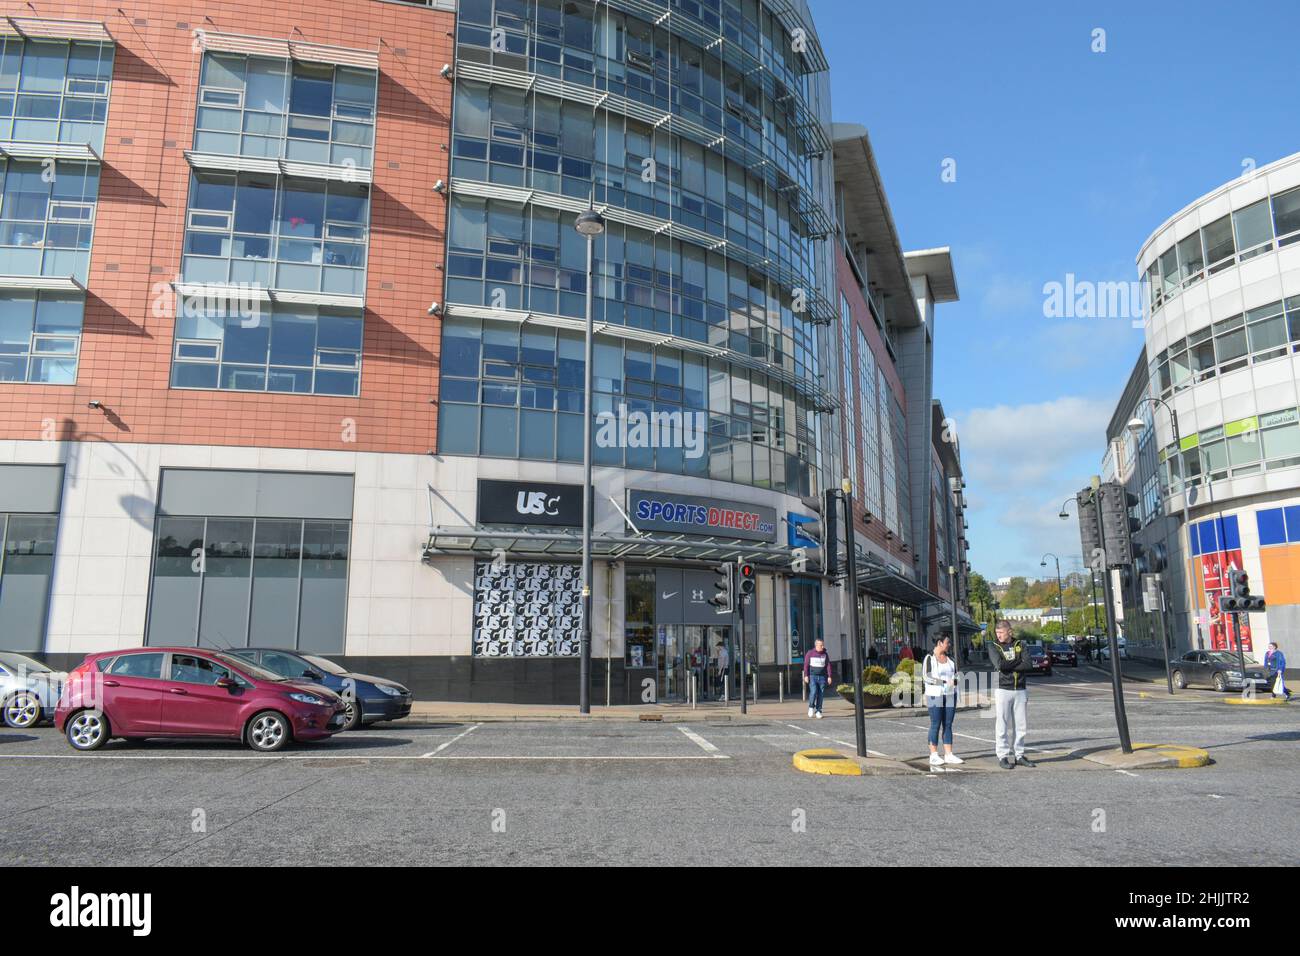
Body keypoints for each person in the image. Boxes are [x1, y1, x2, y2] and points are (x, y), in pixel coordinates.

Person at [987, 619, 1034, 769]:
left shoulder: (1020, 644)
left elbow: (1028, 664)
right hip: (1002, 689)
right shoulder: (993, 645)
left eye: (1001, 632)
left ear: (1009, 632)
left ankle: (1019, 755)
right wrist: (1017, 660)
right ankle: (1003, 756)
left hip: (1020, 688)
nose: (998, 635)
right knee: (1002, 724)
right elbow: (1000, 665)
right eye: (997, 632)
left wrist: (1010, 664)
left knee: (1021, 725)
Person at [923, 636, 962, 769]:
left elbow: (957, 675)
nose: (949, 644)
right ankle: (933, 755)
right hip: (935, 695)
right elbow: (926, 677)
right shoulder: (929, 658)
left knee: (948, 724)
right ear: (940, 643)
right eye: (947, 642)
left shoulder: (950, 659)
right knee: (935, 723)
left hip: (950, 695)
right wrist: (944, 682)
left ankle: (948, 754)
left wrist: (955, 682)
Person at [803, 636, 833, 718]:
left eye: (823, 645)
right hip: (813, 676)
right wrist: (806, 675)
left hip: (822, 677)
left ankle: (818, 711)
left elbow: (828, 665)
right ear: (816, 645)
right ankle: (811, 707)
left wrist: (829, 676)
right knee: (813, 692)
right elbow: (806, 665)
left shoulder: (825, 654)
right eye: (821, 645)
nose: (823, 647)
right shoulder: (810, 653)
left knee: (821, 694)